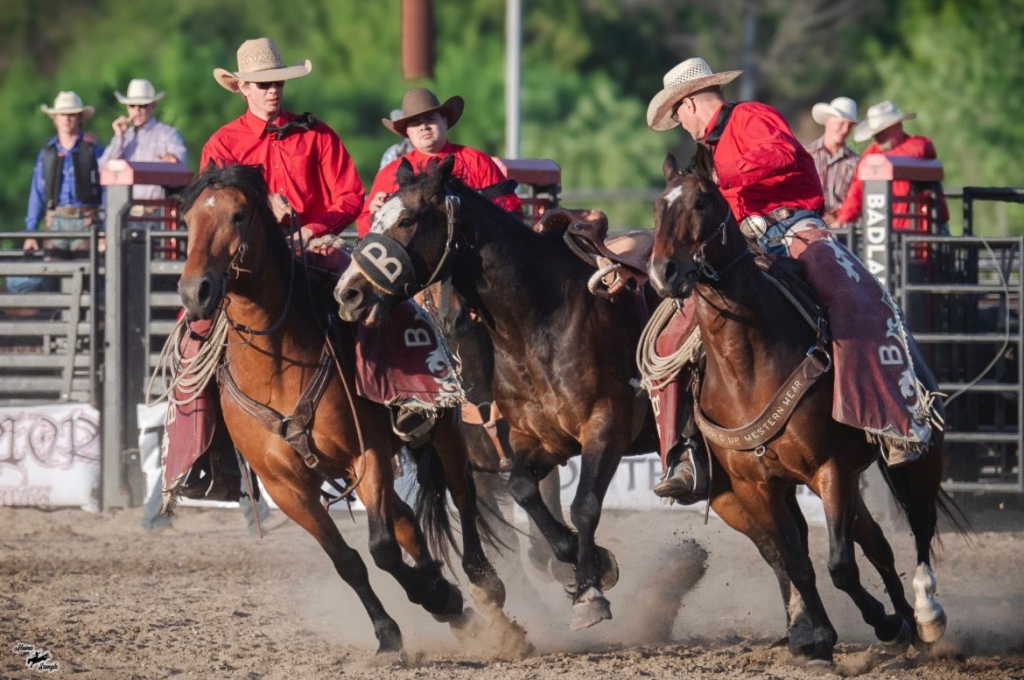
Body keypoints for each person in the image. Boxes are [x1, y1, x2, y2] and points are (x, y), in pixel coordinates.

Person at [645, 58, 937, 503]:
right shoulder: (704, 152)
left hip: (793, 227)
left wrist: (728, 175)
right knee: (671, 337)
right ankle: (685, 453)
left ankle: (899, 420)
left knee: (852, 296)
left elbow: (782, 153)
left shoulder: (749, 117)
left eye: (677, 114)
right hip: (739, 244)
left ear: (688, 103)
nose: (679, 125)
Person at [202, 37, 364, 244]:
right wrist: (263, 204)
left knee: (353, 275)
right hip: (250, 250)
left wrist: (311, 231)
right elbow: (213, 203)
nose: (274, 90)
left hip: (316, 246)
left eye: (279, 82)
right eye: (263, 84)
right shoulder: (222, 143)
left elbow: (351, 195)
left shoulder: (317, 134)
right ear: (244, 87)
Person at [356, 87, 521, 236]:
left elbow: (510, 213)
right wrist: (375, 215)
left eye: (430, 119)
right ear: (407, 133)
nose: (424, 127)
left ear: (445, 121)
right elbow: (363, 228)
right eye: (415, 123)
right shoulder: (390, 173)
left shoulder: (477, 161)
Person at [9, 92, 104, 294]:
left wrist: (104, 227)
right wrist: (31, 231)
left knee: (88, 281)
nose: (67, 119)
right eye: (63, 114)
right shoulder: (47, 153)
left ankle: (90, 323)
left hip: (86, 220)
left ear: (79, 118)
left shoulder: (94, 151)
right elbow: (37, 193)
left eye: (72, 114)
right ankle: (57, 320)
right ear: (55, 119)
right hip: (56, 221)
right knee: (52, 281)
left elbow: (105, 189)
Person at [829, 100, 949, 231]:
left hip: (921, 229)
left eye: (882, 131)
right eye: (875, 132)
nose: (877, 137)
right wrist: (843, 219)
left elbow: (921, 150)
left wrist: (878, 162)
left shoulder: (919, 145)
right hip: (884, 231)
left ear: (896, 126)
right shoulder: (871, 155)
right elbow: (857, 191)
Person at [99, 78, 188, 199]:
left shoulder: (167, 134)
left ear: (153, 105)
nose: (137, 111)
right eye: (132, 106)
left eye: (142, 106)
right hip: (127, 210)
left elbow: (181, 165)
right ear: (127, 107)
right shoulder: (124, 137)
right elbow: (103, 168)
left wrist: (173, 161)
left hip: (157, 209)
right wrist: (119, 138)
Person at [805, 96, 859, 223]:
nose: (845, 130)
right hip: (807, 226)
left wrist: (839, 216)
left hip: (841, 231)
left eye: (850, 125)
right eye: (841, 123)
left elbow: (857, 200)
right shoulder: (806, 156)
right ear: (828, 121)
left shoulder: (855, 163)